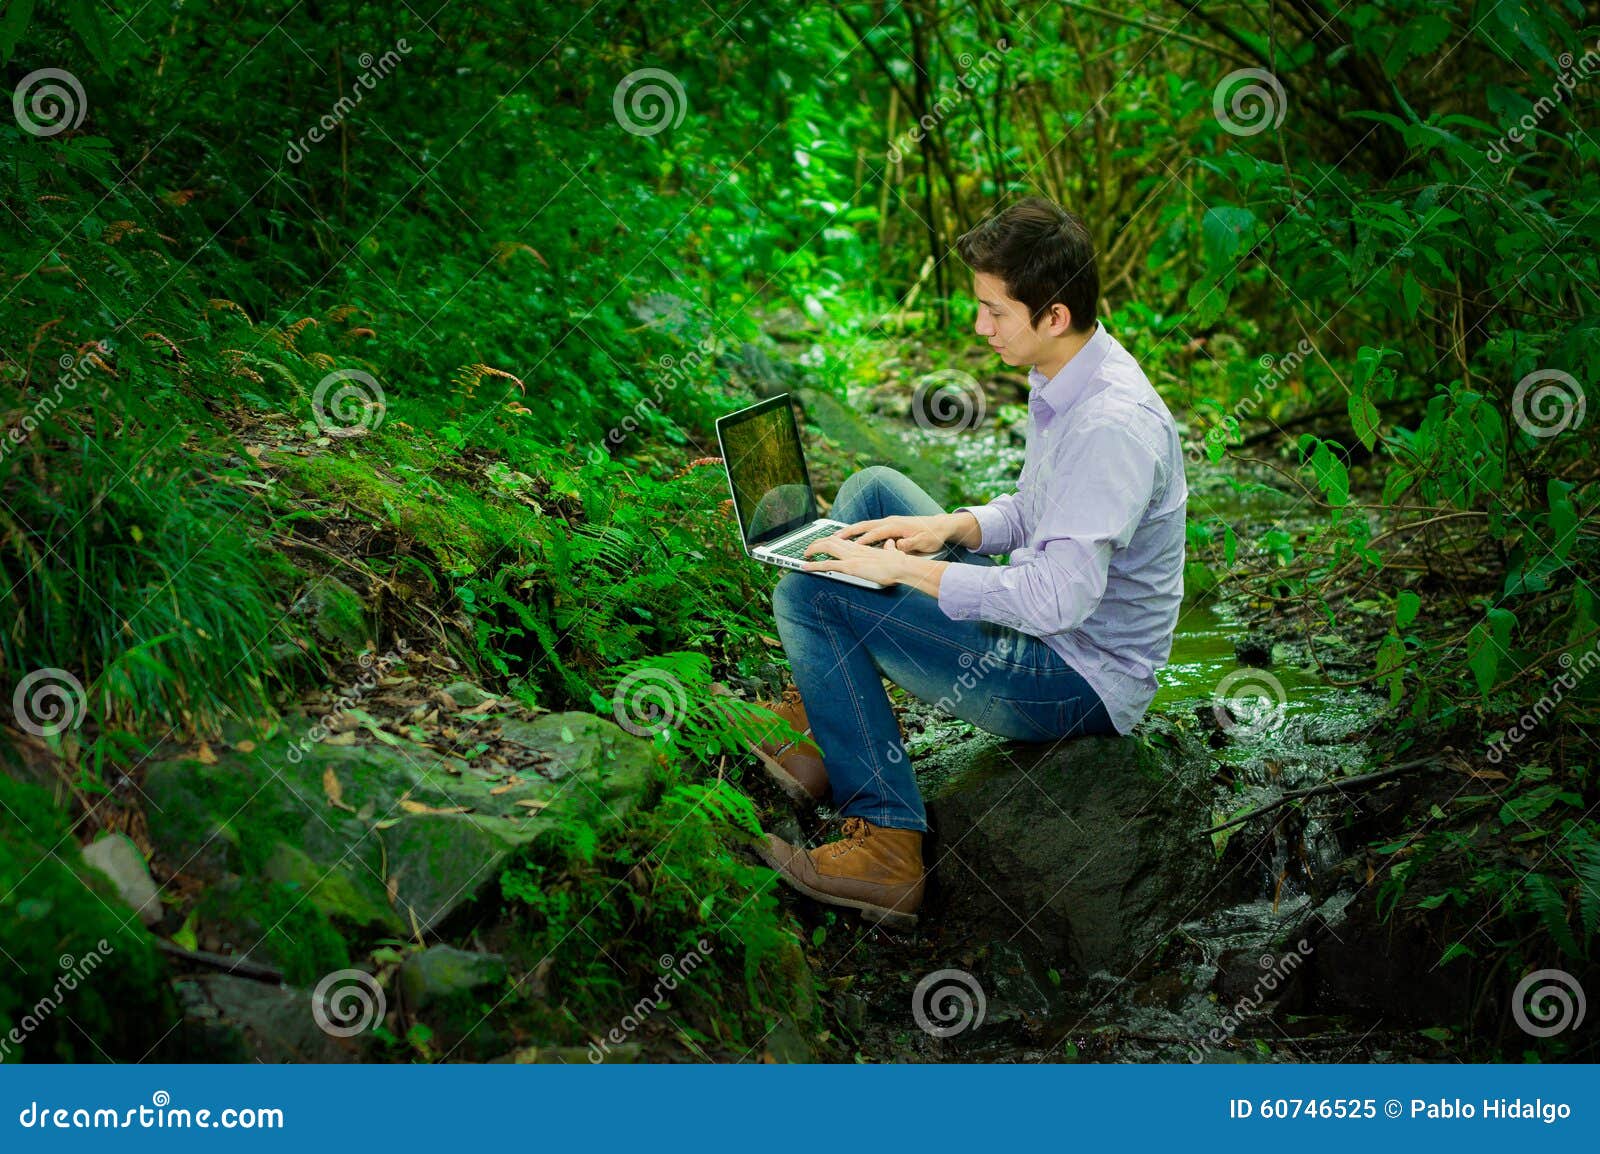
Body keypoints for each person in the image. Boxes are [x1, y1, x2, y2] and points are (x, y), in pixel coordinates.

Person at [751, 195, 1188, 929]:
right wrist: (943, 527)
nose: (980, 327)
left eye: (994, 312)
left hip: (1076, 678)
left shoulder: (1112, 426)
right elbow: (1033, 511)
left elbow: (1056, 600)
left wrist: (903, 572)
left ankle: (888, 844)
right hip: (1056, 631)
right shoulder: (1070, 367)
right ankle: (826, 735)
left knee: (810, 598)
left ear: (1052, 315)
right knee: (872, 494)